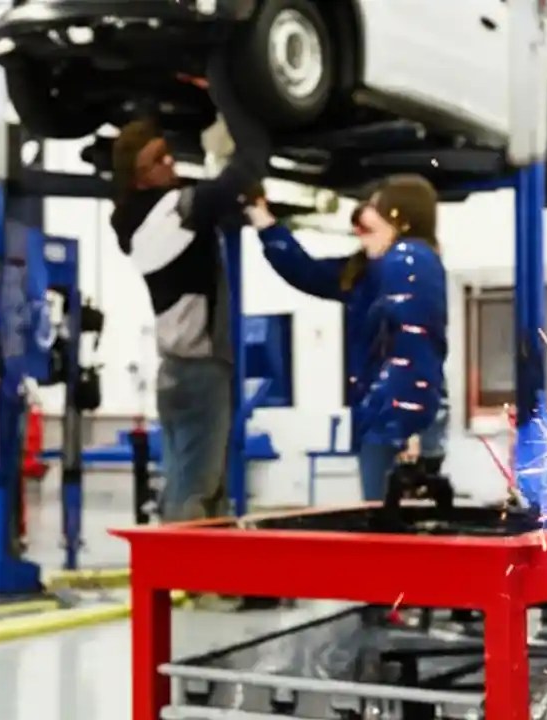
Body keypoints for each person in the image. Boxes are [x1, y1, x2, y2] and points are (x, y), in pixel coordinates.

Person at [110, 52, 269, 523]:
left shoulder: (143, 216)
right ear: (141, 177)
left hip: (179, 371)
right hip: (198, 370)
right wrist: (231, 95)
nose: (170, 162)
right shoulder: (167, 213)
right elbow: (246, 168)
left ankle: (204, 579)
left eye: (166, 152)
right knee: (196, 485)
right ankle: (183, 579)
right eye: (158, 160)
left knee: (192, 477)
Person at [244, 175, 448, 502]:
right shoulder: (372, 271)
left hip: (395, 418)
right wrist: (263, 220)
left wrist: (407, 425)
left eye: (375, 216)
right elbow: (305, 271)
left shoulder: (409, 262)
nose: (362, 229)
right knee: (387, 516)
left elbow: (413, 345)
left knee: (391, 522)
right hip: (382, 415)